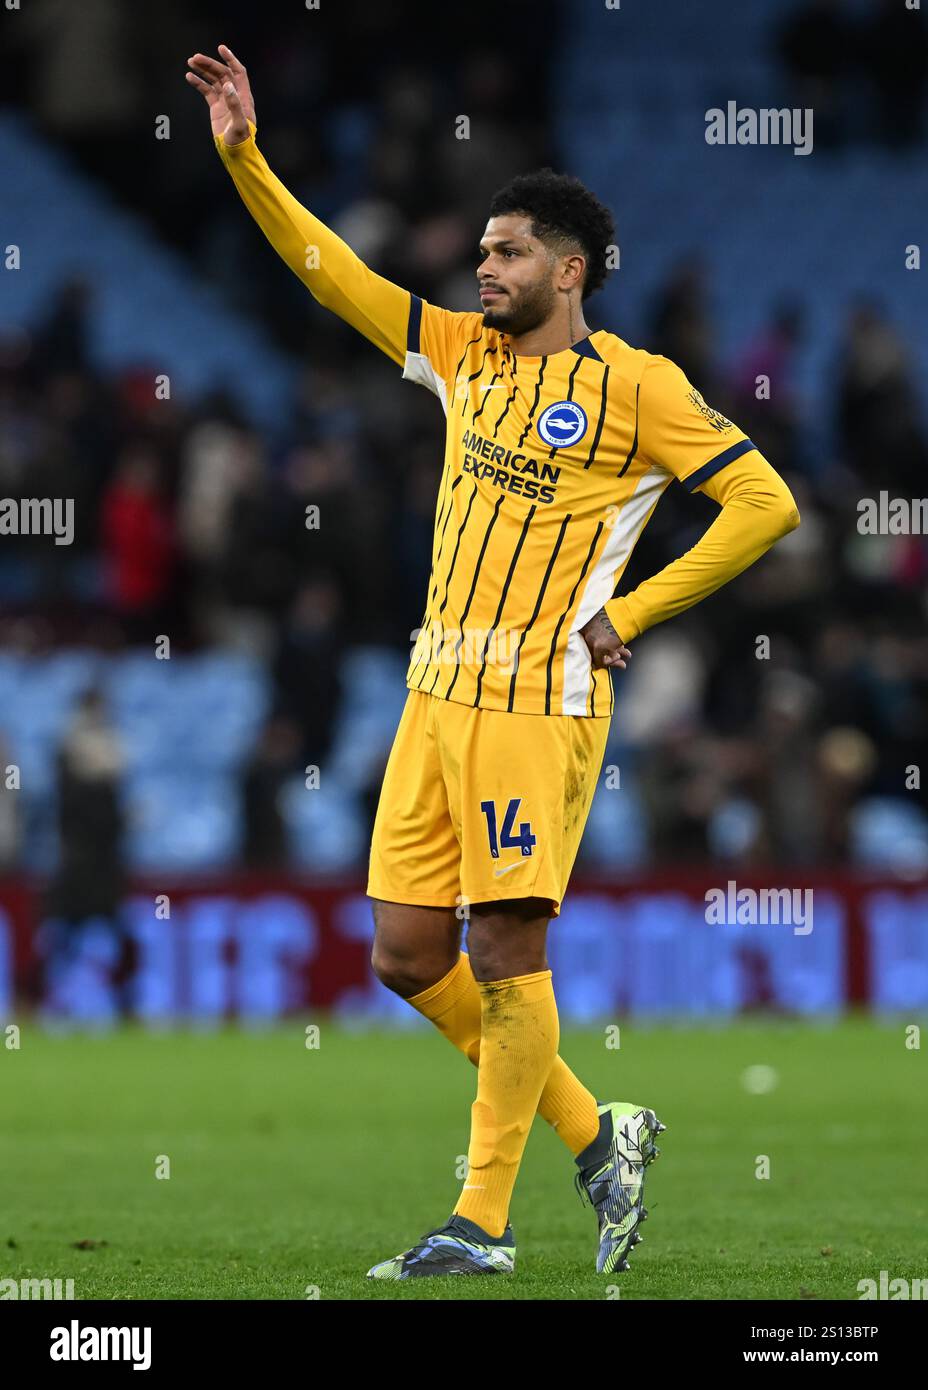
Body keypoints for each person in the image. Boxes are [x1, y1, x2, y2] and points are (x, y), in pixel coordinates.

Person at [187, 45, 800, 1281]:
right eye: (482, 250)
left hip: (538, 698)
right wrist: (245, 157)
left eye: (508, 251)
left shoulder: (639, 386)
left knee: (505, 953)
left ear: (568, 270)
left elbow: (764, 505)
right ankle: (599, 1132)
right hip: (433, 693)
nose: (484, 266)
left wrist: (633, 608)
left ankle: (480, 1222)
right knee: (406, 954)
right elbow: (333, 277)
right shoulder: (460, 354)